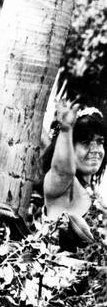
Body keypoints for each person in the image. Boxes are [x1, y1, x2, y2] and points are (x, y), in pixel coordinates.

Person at [42, 100, 107, 241]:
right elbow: (61, 170)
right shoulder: (62, 187)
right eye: (86, 142)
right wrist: (66, 132)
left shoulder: (95, 194)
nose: (96, 150)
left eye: (100, 142)